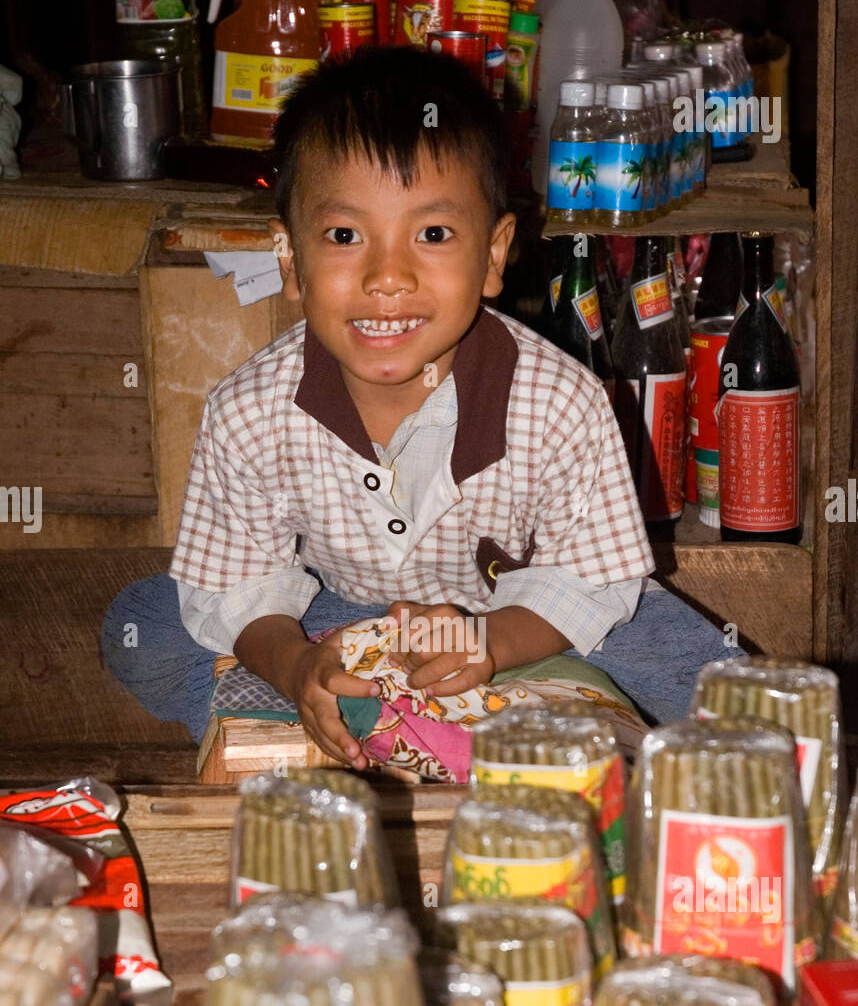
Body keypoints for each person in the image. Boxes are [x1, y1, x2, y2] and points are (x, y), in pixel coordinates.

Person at [103, 45, 740, 768]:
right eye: (345, 236)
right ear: (289, 261)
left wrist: (488, 644)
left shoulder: (563, 402)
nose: (387, 277)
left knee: (706, 670)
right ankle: (338, 705)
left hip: (521, 628)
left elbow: (588, 581)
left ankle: (417, 719)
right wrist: (293, 663)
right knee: (144, 619)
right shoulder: (248, 411)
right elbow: (238, 585)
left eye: (433, 234)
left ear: (495, 254)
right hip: (336, 619)